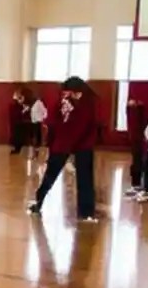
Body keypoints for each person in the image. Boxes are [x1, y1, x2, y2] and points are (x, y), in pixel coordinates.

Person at [28, 77, 98, 222]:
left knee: (85, 180)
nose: (67, 95)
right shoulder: (62, 102)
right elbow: (51, 121)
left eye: (70, 92)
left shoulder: (88, 102)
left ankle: (86, 213)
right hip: (63, 144)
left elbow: (87, 124)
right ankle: (38, 202)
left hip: (82, 144)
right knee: (50, 175)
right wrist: (52, 144)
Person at [123, 99, 148, 196]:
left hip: (137, 140)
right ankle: (137, 184)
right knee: (137, 161)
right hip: (136, 140)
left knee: (137, 162)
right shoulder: (134, 115)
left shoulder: (137, 115)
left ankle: (137, 185)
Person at [27, 92, 47, 158]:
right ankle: (34, 153)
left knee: (37, 138)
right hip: (33, 122)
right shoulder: (32, 104)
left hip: (38, 122)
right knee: (33, 137)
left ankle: (36, 154)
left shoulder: (39, 103)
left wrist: (42, 118)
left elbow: (45, 111)